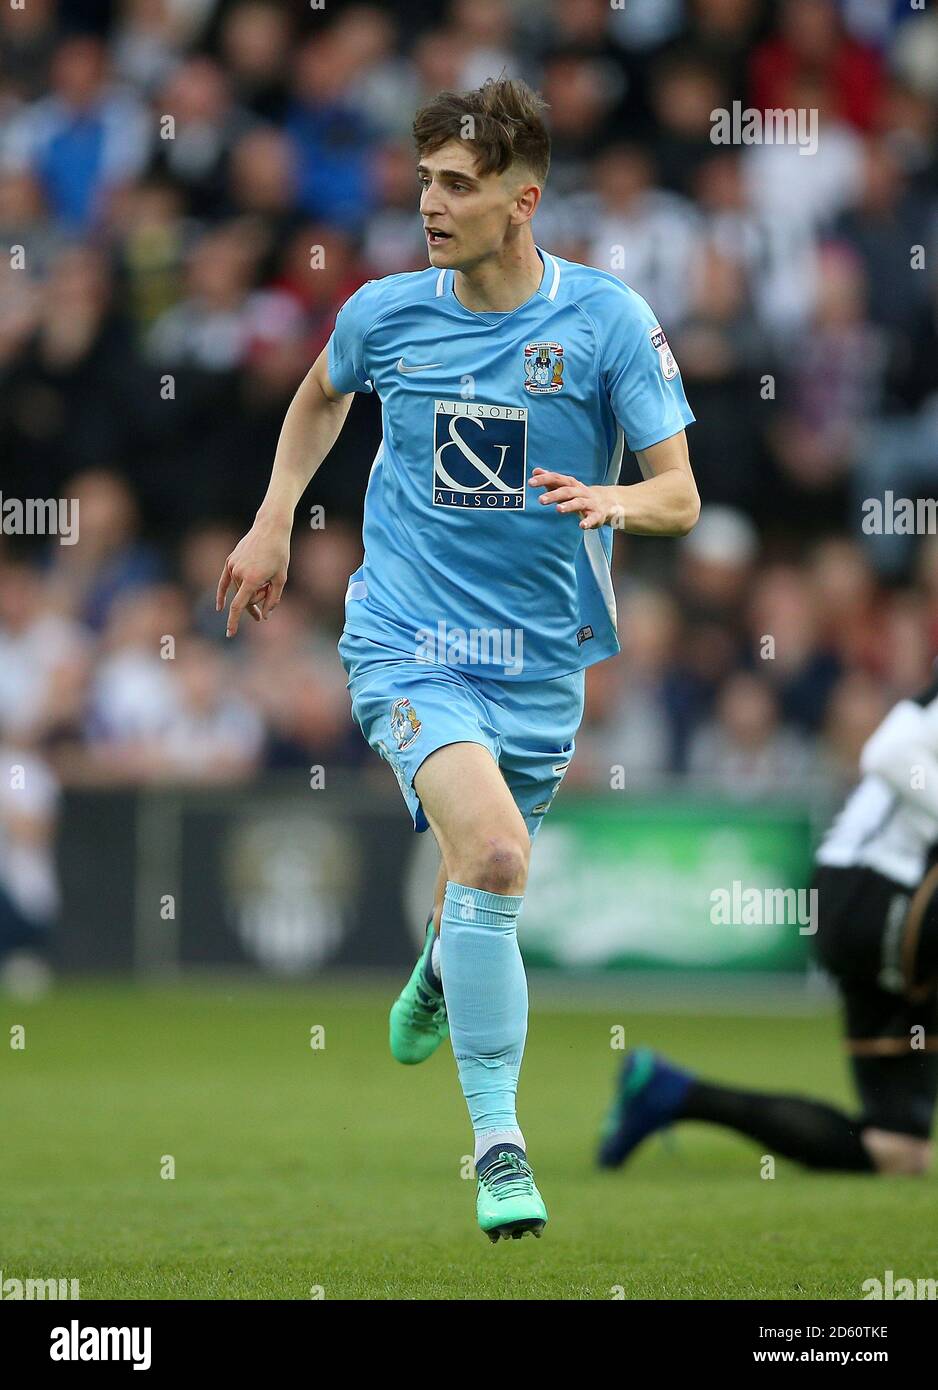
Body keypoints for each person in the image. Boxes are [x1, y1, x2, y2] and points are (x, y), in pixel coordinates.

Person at [217, 77, 699, 1241]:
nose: (428, 204)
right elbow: (320, 395)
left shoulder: (606, 324)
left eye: (456, 186)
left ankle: (442, 958)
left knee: (484, 880)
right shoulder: (386, 312)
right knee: (491, 853)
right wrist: (277, 513)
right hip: (408, 646)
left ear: (521, 199)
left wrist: (610, 500)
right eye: (424, 180)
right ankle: (496, 1148)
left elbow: (681, 496)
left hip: (540, 668)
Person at [599, 673, 938, 1178]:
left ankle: (670, 1092)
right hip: (877, 889)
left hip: (869, 894)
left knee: (898, 1151)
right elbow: (885, 752)